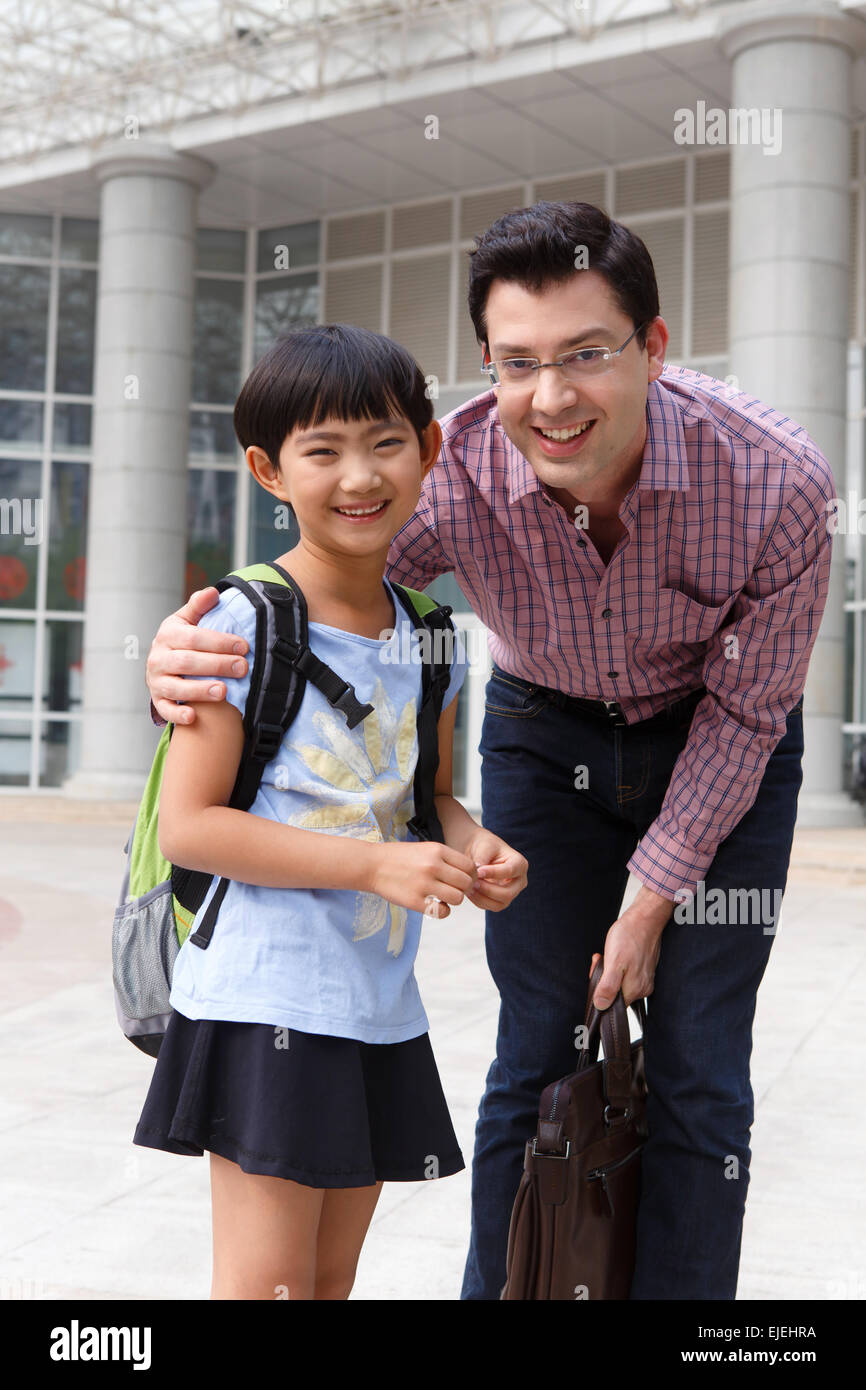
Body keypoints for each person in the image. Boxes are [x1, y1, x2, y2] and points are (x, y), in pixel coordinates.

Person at [146, 202, 835, 1301]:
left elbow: (750, 715)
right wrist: (190, 646)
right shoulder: (451, 469)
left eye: (584, 355)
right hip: (540, 728)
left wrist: (650, 896)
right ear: (486, 367)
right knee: (539, 1049)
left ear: (652, 348)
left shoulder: (776, 483)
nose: (550, 397)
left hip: (718, 741)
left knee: (702, 1071)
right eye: (517, 364)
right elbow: (329, 574)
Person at [132, 322, 529, 1301]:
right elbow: (191, 826)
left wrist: (477, 848)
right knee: (265, 1286)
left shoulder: (432, 631)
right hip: (265, 999)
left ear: (427, 448)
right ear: (269, 471)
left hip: (375, 1001)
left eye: (384, 441)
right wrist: (372, 866)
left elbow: (423, 798)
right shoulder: (240, 623)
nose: (359, 474)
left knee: (323, 1284)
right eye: (322, 449)